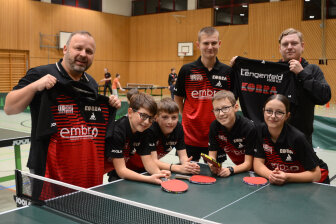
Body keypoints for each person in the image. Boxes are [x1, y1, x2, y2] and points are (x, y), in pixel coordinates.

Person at [4, 31, 121, 187]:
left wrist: (111, 104)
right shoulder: (40, 73)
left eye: (89, 51)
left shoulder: (91, 83)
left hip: (80, 167)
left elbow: (90, 121)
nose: (83, 54)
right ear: (65, 49)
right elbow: (9, 107)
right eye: (78, 48)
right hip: (45, 167)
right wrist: (35, 86)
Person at [174, 26, 234, 162]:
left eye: (214, 43)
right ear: (198, 45)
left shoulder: (228, 72)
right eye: (206, 43)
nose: (210, 47)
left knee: (215, 174)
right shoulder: (187, 70)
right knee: (188, 172)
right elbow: (178, 97)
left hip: (217, 134)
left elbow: (232, 101)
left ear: (219, 44)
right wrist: (185, 116)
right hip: (190, 135)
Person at [254, 94, 329, 185]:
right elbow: (257, 164)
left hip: (315, 180)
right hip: (286, 178)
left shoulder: (297, 138)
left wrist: (287, 177)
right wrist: (271, 175)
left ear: (287, 116)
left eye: (279, 112)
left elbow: (316, 174)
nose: (273, 116)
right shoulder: (260, 131)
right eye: (269, 111)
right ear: (263, 112)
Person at [277, 28, 331, 144]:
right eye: (285, 44)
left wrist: (302, 74)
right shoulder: (272, 71)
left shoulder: (312, 70)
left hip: (303, 140)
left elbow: (324, 97)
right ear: (280, 48)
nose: (289, 47)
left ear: (302, 46)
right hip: (274, 138)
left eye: (294, 43)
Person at [105, 92, 170, 184]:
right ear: (130, 112)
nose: (147, 122)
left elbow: (148, 162)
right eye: (143, 116)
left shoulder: (144, 131)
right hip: (95, 169)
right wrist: (149, 179)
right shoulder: (118, 131)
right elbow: (121, 170)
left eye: (151, 118)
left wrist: (159, 174)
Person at [208, 90, 255, 177]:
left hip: (256, 171)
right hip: (239, 170)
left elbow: (248, 164)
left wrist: (231, 169)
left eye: (225, 108)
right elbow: (212, 156)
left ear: (236, 107)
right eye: (217, 110)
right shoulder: (214, 126)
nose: (221, 114)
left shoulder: (248, 128)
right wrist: (212, 165)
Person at [147, 98, 200, 174]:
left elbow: (183, 156)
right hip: (133, 167)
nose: (170, 122)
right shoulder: (150, 129)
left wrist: (187, 165)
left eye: (174, 117)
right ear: (156, 117)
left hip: (151, 168)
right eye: (165, 117)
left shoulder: (178, 128)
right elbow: (153, 161)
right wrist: (177, 168)